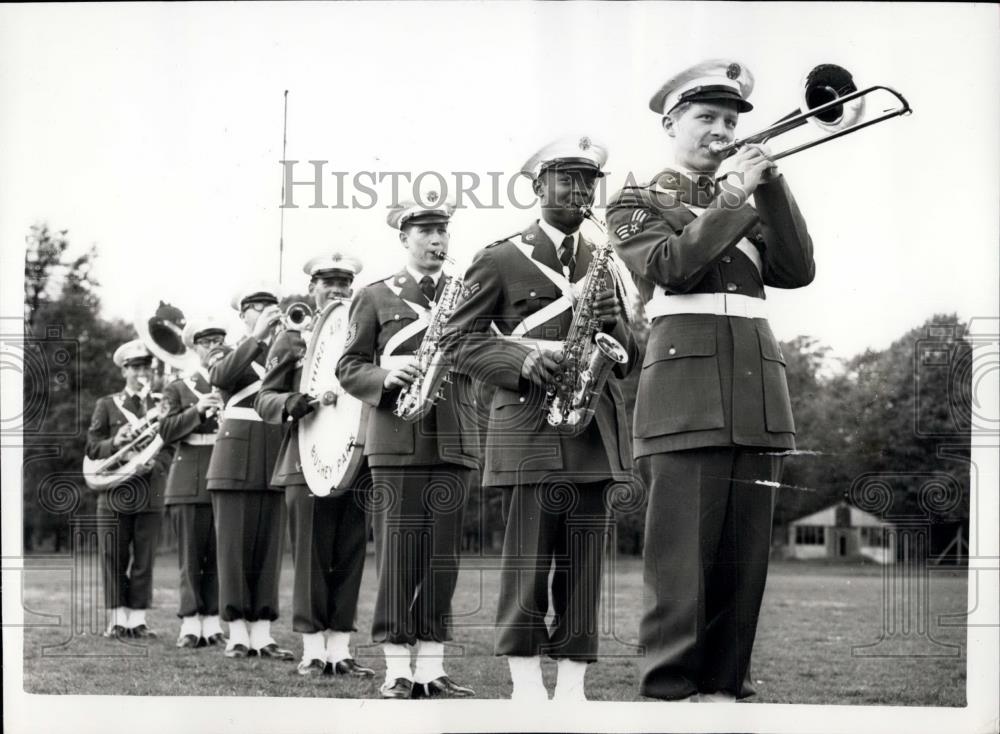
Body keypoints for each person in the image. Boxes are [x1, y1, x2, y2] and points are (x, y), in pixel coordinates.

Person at [605, 59, 816, 702]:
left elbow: (798, 269)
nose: (721, 129)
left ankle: (726, 692)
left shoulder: (747, 198)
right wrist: (731, 197)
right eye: (707, 117)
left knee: (743, 563)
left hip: (756, 393)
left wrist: (770, 186)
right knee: (682, 568)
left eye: (730, 119)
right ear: (673, 124)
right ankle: (668, 695)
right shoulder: (636, 200)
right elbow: (673, 267)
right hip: (684, 398)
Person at [439, 136, 637, 701]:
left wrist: (615, 325)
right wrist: (524, 358)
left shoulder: (607, 263)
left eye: (588, 182)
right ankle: (525, 683)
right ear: (537, 188)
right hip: (527, 426)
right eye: (566, 180)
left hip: (593, 432)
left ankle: (573, 685)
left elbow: (629, 356)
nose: (579, 191)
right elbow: (456, 344)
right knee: (526, 566)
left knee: (585, 569)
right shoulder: (500, 258)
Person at [336, 200, 480, 699]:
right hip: (395, 438)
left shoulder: (470, 293)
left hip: (455, 435)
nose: (437, 240)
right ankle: (398, 667)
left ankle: (431, 667)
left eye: (442, 231)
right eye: (426, 232)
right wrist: (384, 375)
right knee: (398, 555)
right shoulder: (375, 296)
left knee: (443, 559)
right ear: (404, 238)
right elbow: (348, 366)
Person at [255, 252, 375, 679]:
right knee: (310, 557)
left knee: (348, 555)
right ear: (311, 288)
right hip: (304, 460)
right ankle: (312, 650)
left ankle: (340, 650)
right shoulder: (292, 338)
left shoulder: (365, 330)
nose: (338, 290)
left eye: (345, 283)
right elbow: (263, 397)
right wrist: (293, 402)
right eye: (328, 282)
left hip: (355, 458)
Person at [205, 283, 292, 661]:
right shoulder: (227, 350)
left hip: (274, 454)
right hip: (234, 459)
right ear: (243, 315)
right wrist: (256, 338)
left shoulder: (287, 349)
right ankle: (237, 633)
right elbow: (220, 378)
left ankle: (263, 632)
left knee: (268, 550)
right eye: (257, 308)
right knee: (234, 551)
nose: (267, 312)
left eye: (272, 307)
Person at [85, 339, 173, 639]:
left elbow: (171, 447)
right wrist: (116, 442)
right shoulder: (107, 404)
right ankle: (117, 620)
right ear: (124, 371)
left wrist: (156, 464)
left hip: (150, 491)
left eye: (146, 367)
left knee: (144, 560)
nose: (141, 372)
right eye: (135, 367)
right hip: (114, 494)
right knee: (114, 558)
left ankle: (137, 620)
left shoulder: (163, 403)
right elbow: (92, 448)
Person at [157, 318, 227, 648]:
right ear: (195, 348)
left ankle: (212, 621)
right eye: (206, 341)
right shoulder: (178, 387)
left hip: (225, 473)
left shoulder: (234, 382)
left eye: (219, 340)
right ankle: (189, 623)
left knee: (217, 555)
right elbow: (166, 431)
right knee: (190, 556)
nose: (214, 346)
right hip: (187, 478)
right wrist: (198, 409)